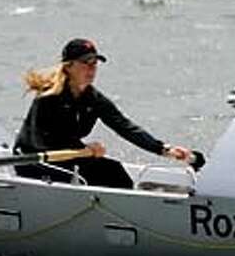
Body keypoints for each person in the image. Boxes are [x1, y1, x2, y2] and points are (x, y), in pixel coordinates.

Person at [13, 38, 195, 189]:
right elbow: (42, 142)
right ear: (68, 67)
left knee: (114, 172)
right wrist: (85, 151)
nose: (91, 69)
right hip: (33, 161)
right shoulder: (48, 98)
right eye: (85, 63)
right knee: (93, 176)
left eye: (94, 64)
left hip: (71, 156)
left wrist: (163, 149)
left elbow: (125, 127)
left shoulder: (93, 98)